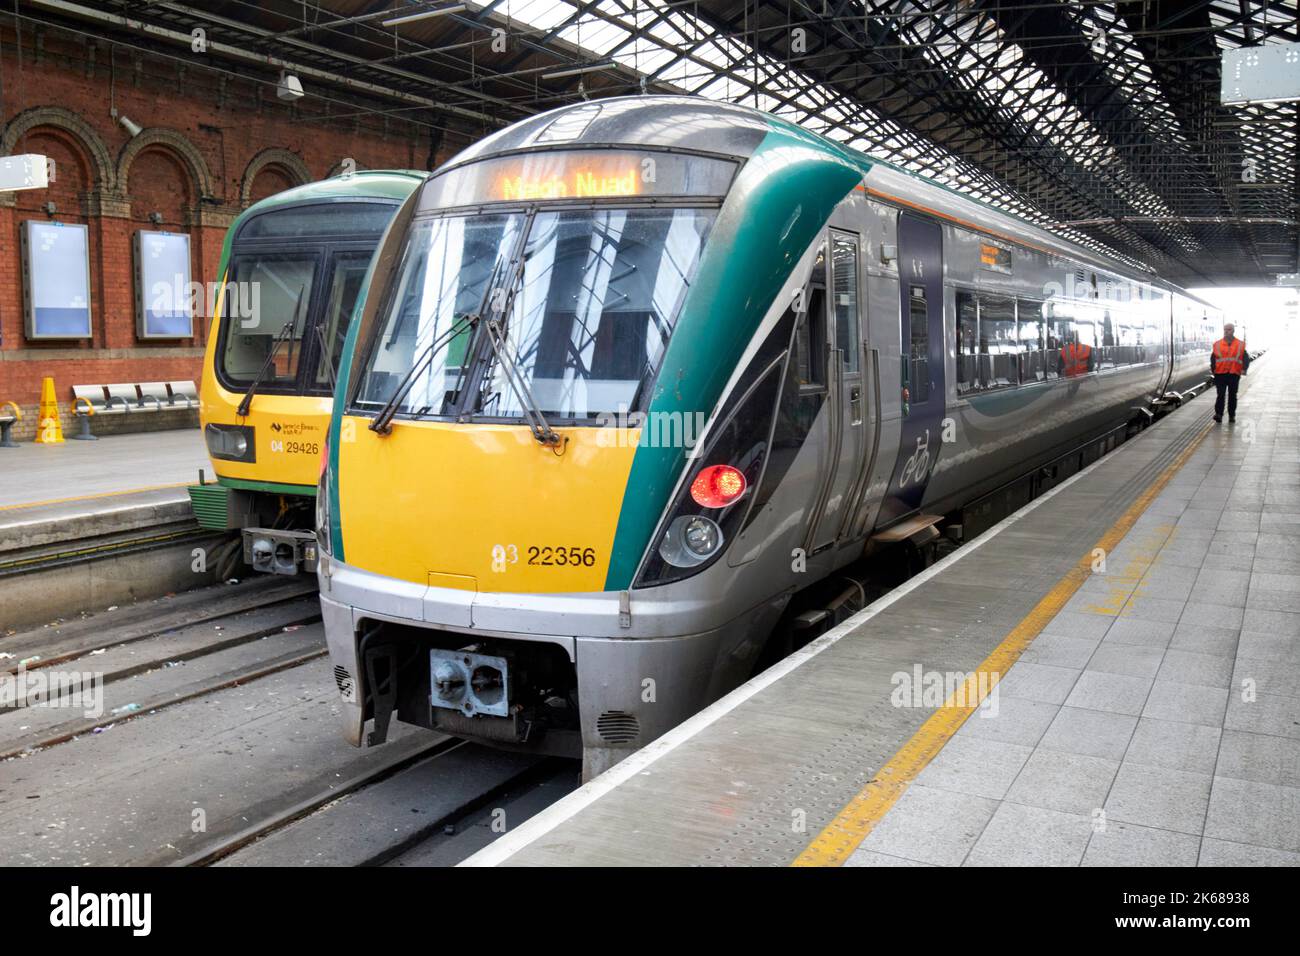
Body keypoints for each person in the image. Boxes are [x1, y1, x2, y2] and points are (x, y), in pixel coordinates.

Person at [1211, 322, 1249, 423]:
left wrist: (1244, 368)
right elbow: (1213, 358)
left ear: (1233, 331)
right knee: (1220, 394)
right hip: (1220, 374)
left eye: (1229, 329)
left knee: (1232, 395)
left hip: (1234, 373)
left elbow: (1245, 357)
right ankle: (1218, 414)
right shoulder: (1217, 344)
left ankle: (1232, 415)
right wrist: (1213, 370)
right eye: (1225, 329)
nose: (1226, 331)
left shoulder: (1240, 344)